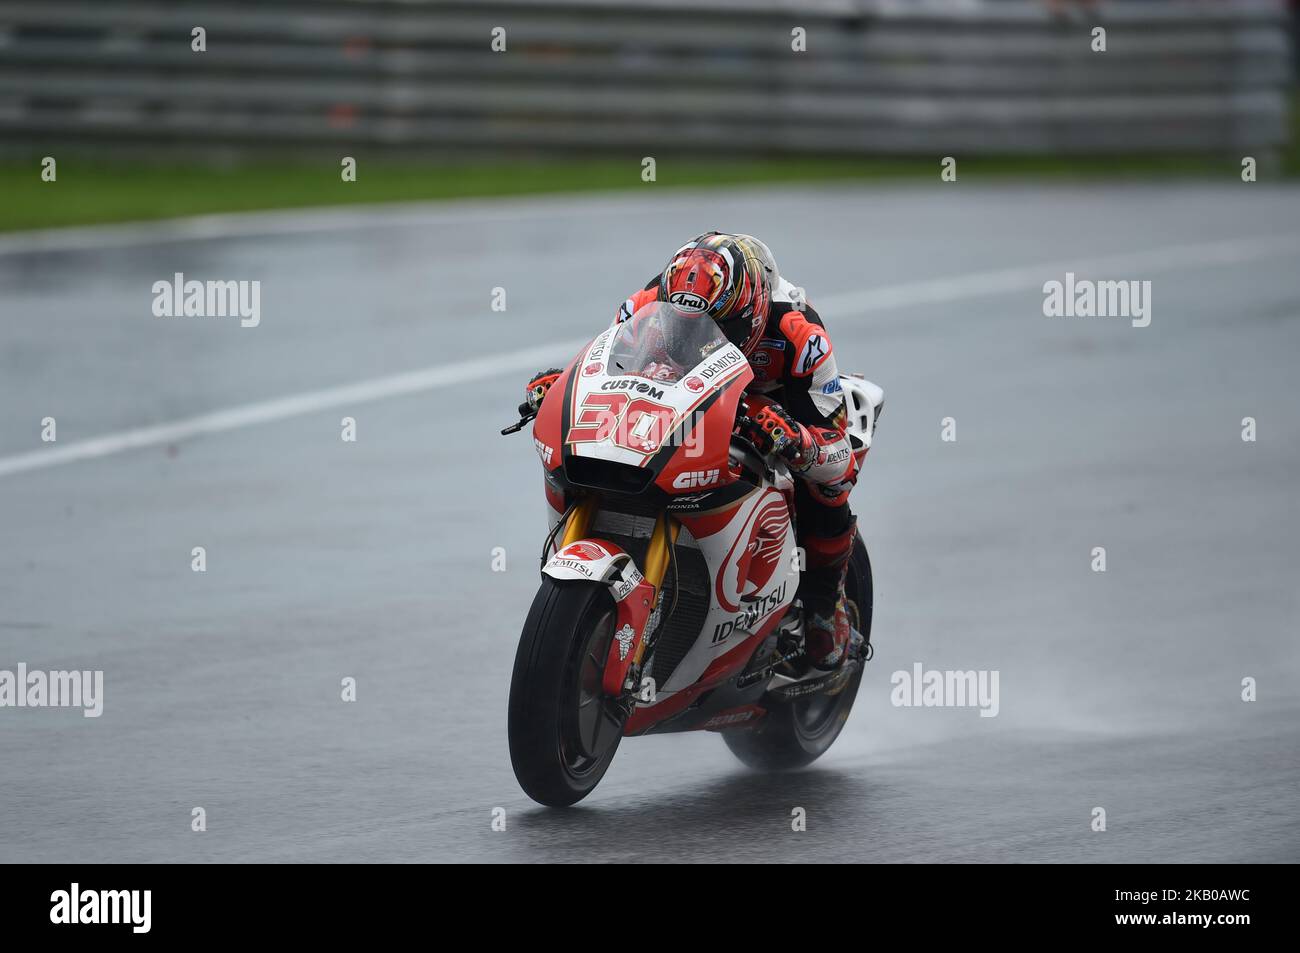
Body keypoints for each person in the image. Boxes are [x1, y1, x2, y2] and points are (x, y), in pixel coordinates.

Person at [524, 232, 861, 671]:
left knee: (826, 491)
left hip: (773, 412)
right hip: (686, 405)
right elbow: (605, 368)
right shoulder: (646, 303)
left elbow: (841, 458)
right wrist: (560, 386)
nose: (702, 336)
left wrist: (798, 441)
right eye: (684, 325)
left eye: (722, 327)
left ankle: (823, 610)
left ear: (753, 313)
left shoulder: (799, 333)